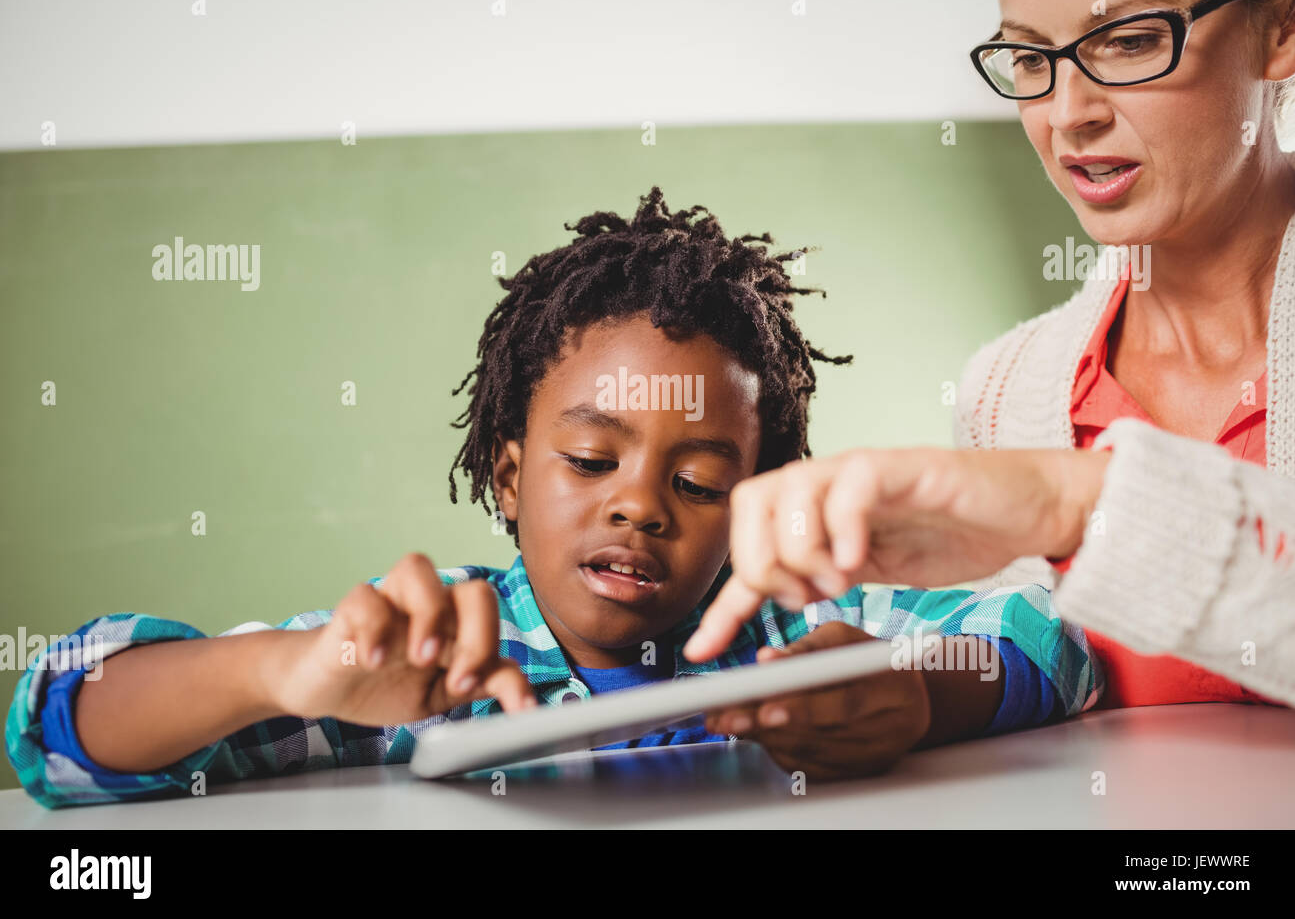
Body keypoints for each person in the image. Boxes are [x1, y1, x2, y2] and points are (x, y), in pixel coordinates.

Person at [5, 188, 1098, 809]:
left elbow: (1050, 644)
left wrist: (909, 695)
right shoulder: (422, 662)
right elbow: (53, 725)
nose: (639, 507)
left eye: (700, 479)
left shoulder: (795, 634)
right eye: (589, 461)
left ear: (755, 501)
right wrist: (279, 672)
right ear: (506, 472)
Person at [687, 0, 1295, 717]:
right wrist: (913, 693)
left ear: (1286, 22)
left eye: (1133, 41)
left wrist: (1076, 504)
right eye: (1032, 59)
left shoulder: (1041, 475)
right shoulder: (1005, 395)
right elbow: (1029, 685)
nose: (1069, 113)